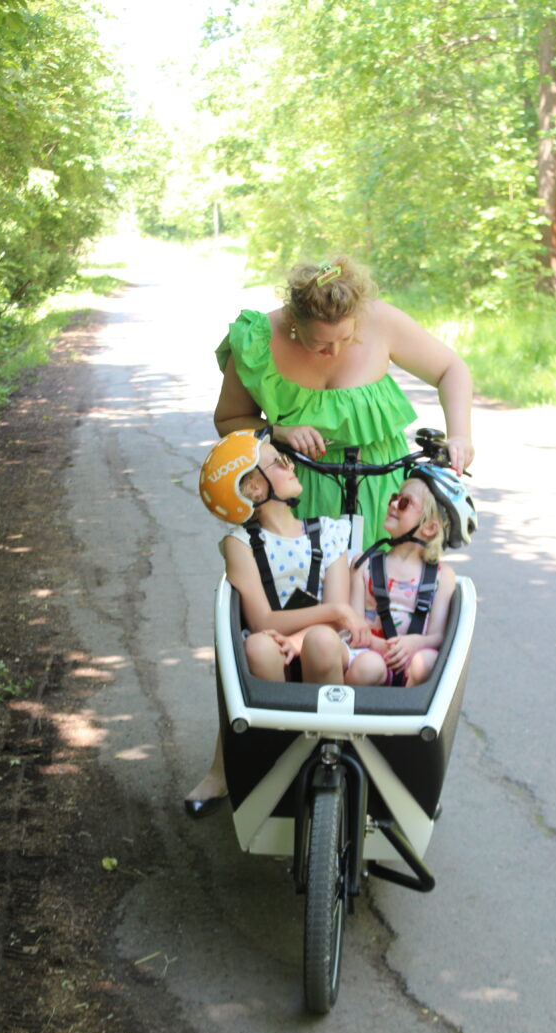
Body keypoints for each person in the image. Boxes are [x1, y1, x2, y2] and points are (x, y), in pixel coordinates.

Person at [212, 255, 474, 546]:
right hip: (297, 493)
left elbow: (451, 370)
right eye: (320, 342)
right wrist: (280, 432)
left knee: (385, 583)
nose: (334, 351)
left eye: (346, 337)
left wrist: (460, 436)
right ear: (294, 321)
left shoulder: (380, 320)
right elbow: (227, 420)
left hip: (385, 491)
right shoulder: (257, 340)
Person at [186, 430, 371, 817]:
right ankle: (274, 759)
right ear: (254, 487)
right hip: (274, 644)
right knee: (256, 644)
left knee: (320, 640)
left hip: (324, 645)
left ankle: (329, 755)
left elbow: (337, 619)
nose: (289, 464)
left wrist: (307, 635)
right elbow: (263, 620)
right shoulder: (240, 545)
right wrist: (334, 612)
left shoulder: (329, 531)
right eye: (277, 462)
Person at [345, 473, 460, 688]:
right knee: (367, 666)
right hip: (371, 653)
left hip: (414, 657)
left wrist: (415, 643)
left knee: (425, 663)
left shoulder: (442, 576)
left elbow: (437, 635)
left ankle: (409, 714)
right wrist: (378, 645)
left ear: (429, 528)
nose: (394, 504)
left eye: (405, 502)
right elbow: (355, 623)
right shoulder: (363, 564)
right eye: (394, 497)